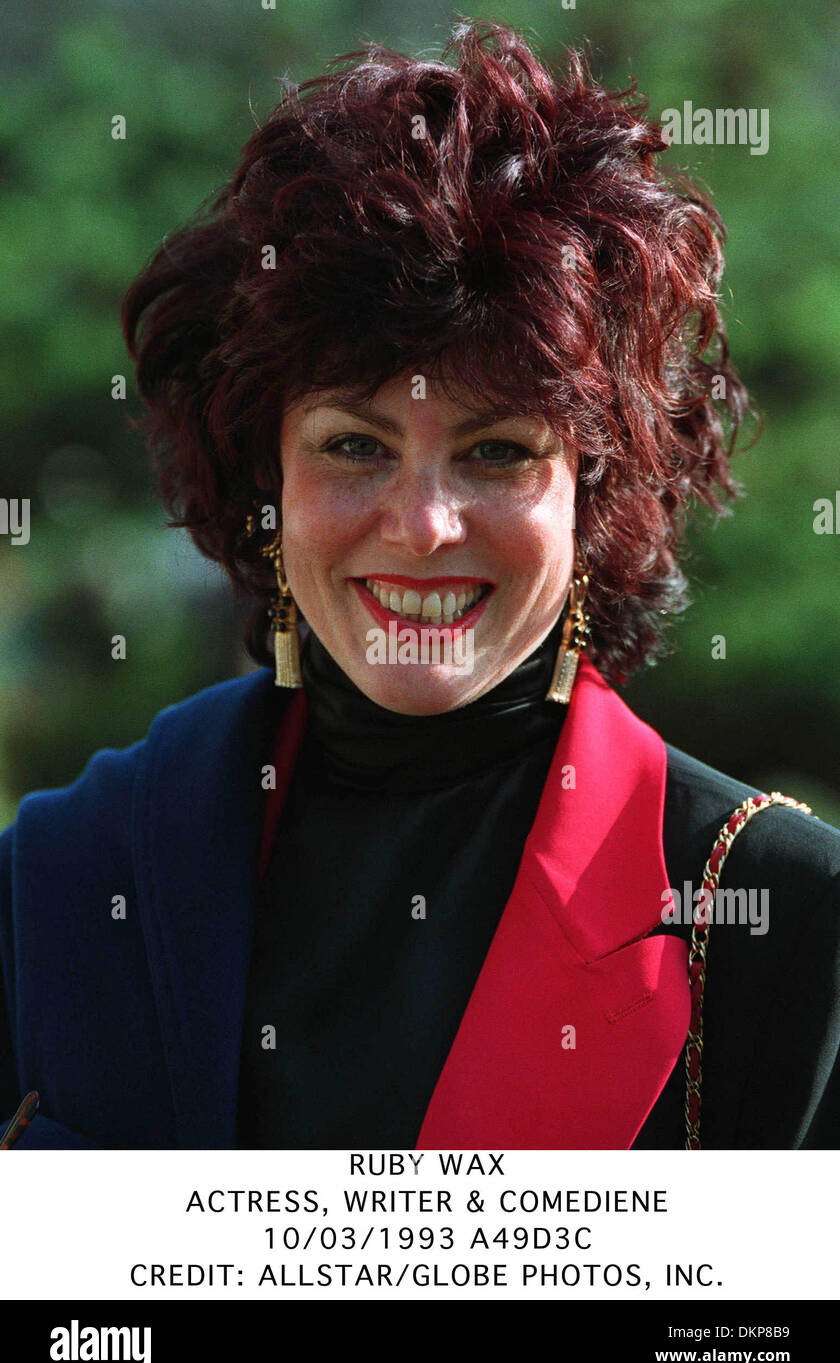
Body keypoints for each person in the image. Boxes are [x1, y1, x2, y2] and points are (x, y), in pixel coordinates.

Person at [1, 21, 838, 1152]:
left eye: (497, 451)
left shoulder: (782, 917)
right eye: (355, 445)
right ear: (266, 475)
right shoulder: (63, 876)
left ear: (594, 493)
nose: (424, 525)